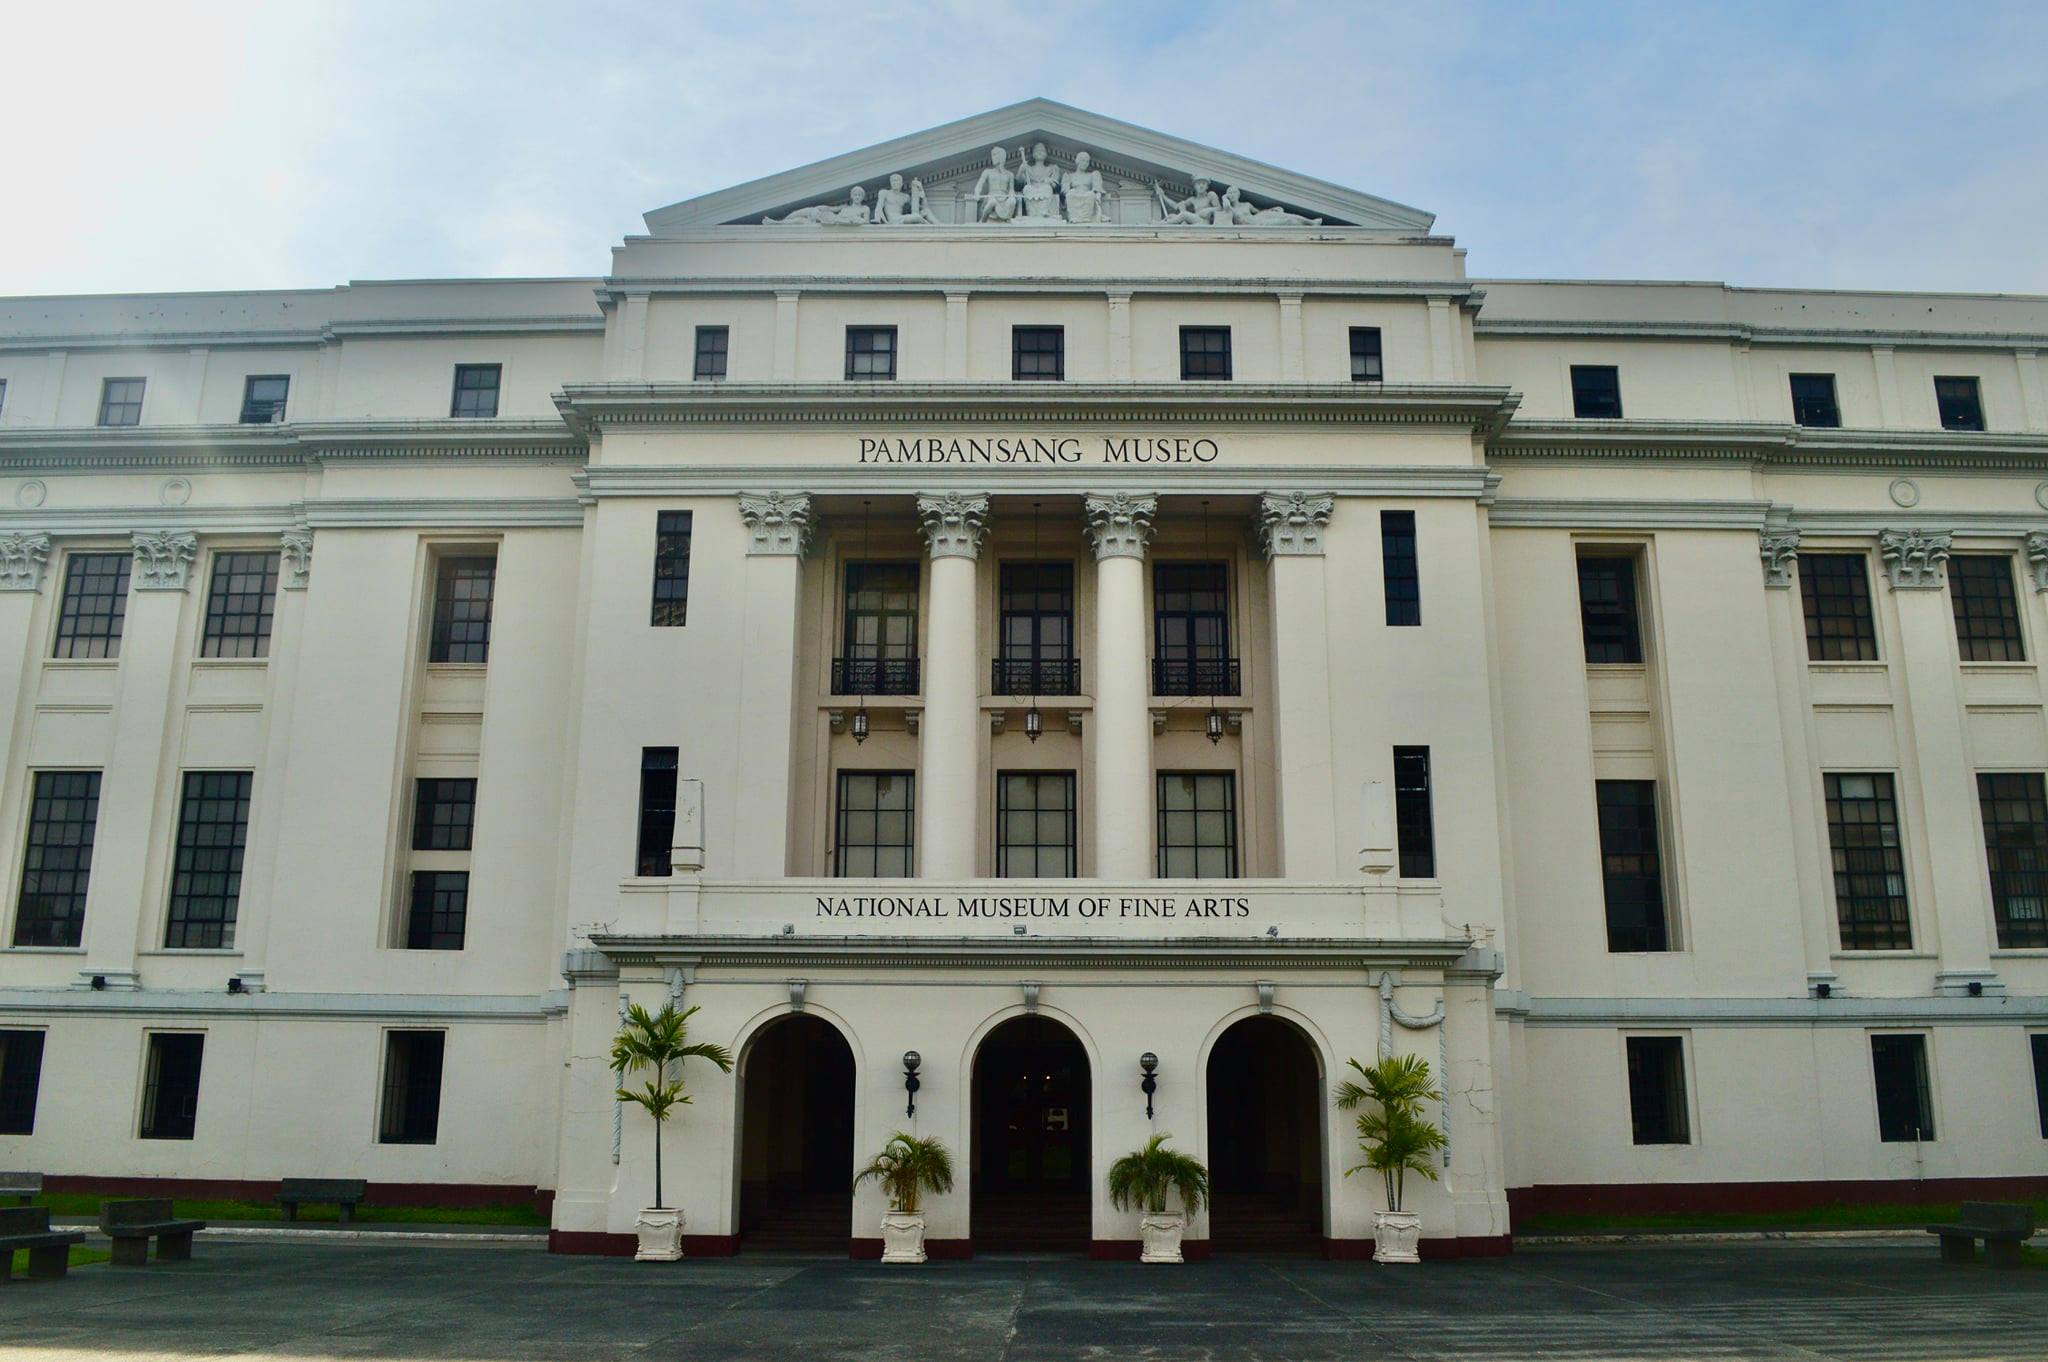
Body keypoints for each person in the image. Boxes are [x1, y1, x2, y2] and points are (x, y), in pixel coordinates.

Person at [762, 184, 870, 225]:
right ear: (851, 196)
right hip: (829, 217)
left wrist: (853, 219)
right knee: (806, 211)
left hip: (831, 221)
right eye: (855, 194)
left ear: (862, 197)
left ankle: (777, 223)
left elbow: (866, 222)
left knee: (801, 221)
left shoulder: (865, 208)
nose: (857, 197)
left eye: (859, 195)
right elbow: (831, 209)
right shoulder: (845, 207)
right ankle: (780, 221)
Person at [1219, 186, 1322, 227]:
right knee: (1288, 222)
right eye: (1230, 193)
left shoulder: (1247, 204)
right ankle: (1306, 226)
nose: (1232, 195)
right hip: (1257, 224)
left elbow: (1257, 211)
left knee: (1287, 216)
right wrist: (1224, 197)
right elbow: (1226, 206)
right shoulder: (1231, 209)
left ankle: (1311, 222)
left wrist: (1271, 210)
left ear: (1238, 194)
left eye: (1234, 192)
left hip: (1259, 217)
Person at [969, 146, 1020, 222]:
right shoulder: (987, 172)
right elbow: (979, 185)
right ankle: (983, 220)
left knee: (1012, 201)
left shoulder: (1009, 174)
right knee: (992, 202)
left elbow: (1011, 189)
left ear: (1001, 156)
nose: (992, 157)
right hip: (992, 196)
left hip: (1004, 197)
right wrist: (977, 193)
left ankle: (1007, 218)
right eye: (992, 155)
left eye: (995, 155)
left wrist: (1012, 195)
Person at [1018, 142, 1063, 220]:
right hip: (1031, 189)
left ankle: (1044, 211)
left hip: (1046, 188)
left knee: (1047, 188)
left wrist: (1050, 181)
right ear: (1033, 154)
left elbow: (1055, 185)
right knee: (1027, 188)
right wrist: (1020, 171)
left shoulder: (1052, 168)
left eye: (1042, 150)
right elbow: (1019, 182)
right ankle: (1031, 213)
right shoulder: (1028, 169)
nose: (1039, 152)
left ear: (1046, 154)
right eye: (1037, 150)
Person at [873, 173, 937, 225]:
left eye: (897, 180)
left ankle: (939, 226)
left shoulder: (905, 197)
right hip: (894, 219)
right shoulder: (885, 193)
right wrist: (879, 219)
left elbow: (920, 207)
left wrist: (920, 189)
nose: (894, 183)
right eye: (893, 181)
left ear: (901, 184)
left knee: (926, 211)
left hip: (902, 218)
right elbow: (879, 207)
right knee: (917, 217)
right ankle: (929, 227)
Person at [1062, 150, 1106, 224]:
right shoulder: (1069, 176)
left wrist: (1098, 195)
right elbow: (1065, 190)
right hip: (1074, 196)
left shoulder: (1092, 175)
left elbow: (1097, 189)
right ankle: (1073, 217)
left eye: (1087, 161)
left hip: (1087, 196)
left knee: (1090, 194)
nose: (1085, 163)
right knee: (1071, 193)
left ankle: (1086, 218)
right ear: (1077, 161)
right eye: (1083, 160)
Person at [1155, 177, 1221, 225]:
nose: (1201, 186)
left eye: (1203, 184)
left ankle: (1163, 224)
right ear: (1195, 186)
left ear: (1207, 187)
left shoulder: (1210, 195)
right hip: (1195, 220)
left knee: (1184, 214)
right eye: (1198, 184)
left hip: (1203, 222)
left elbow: (1219, 208)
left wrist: (1208, 210)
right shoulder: (1193, 199)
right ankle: (1163, 223)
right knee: (1171, 216)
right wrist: (1163, 196)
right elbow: (1176, 206)